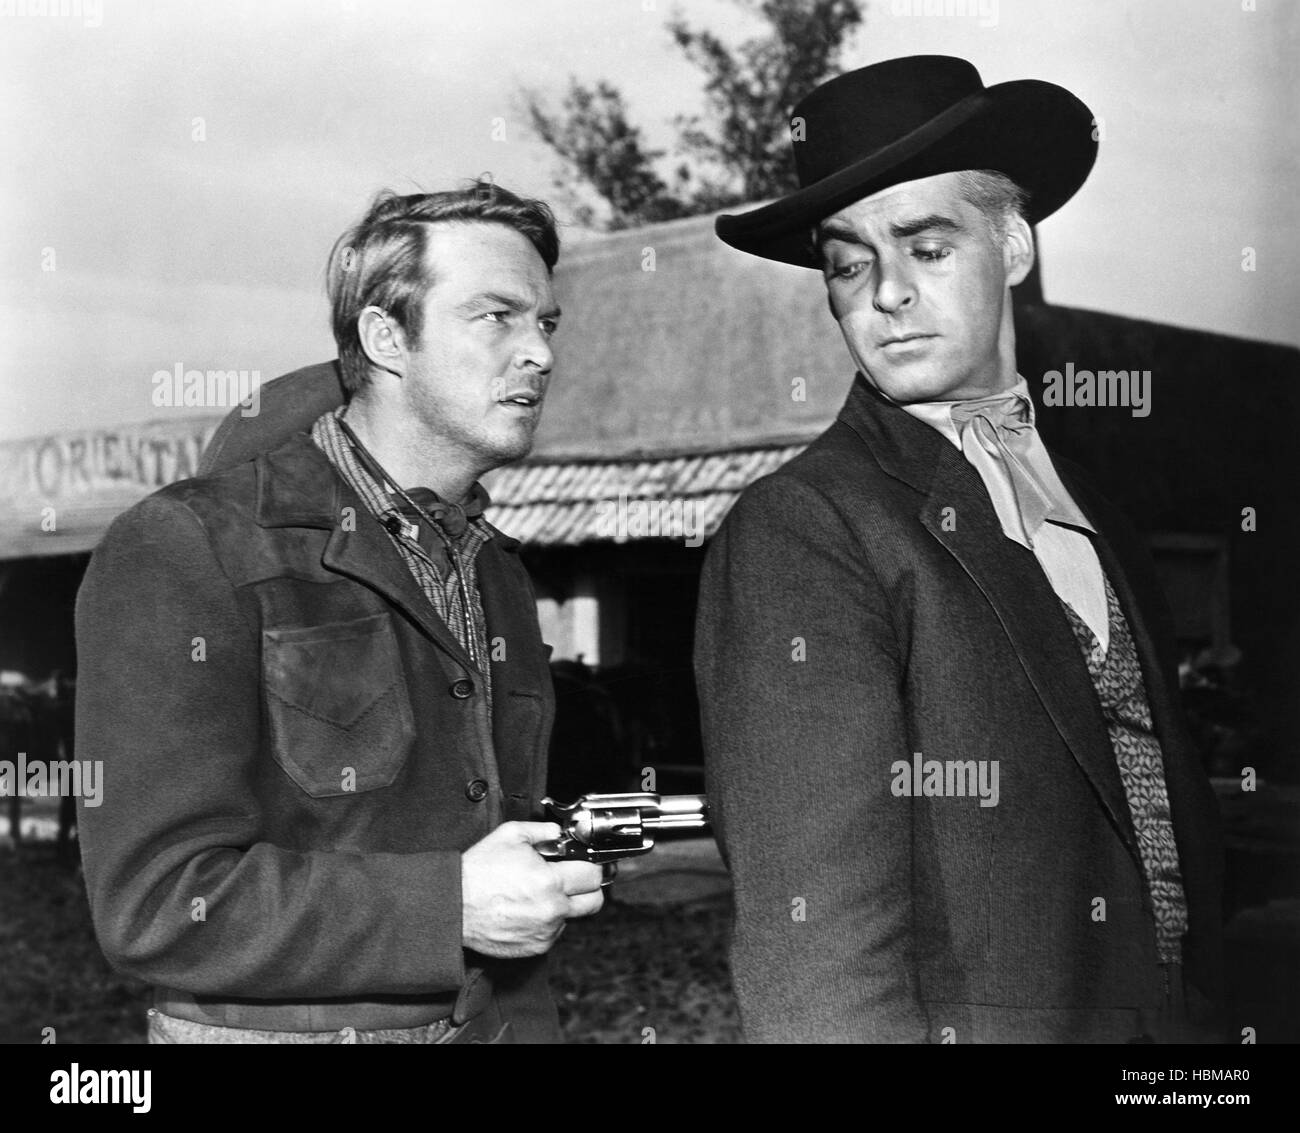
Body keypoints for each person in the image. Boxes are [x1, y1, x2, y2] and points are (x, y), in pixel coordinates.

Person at [694, 56, 1224, 1043]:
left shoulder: (1092, 501)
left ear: (1013, 245)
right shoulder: (805, 527)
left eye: (925, 246)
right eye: (848, 262)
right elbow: (817, 957)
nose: (884, 293)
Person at [75, 181, 604, 1044]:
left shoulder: (493, 564)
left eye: (545, 323)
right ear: (386, 337)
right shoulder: (188, 545)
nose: (539, 352)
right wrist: (449, 907)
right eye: (497, 317)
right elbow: (158, 903)